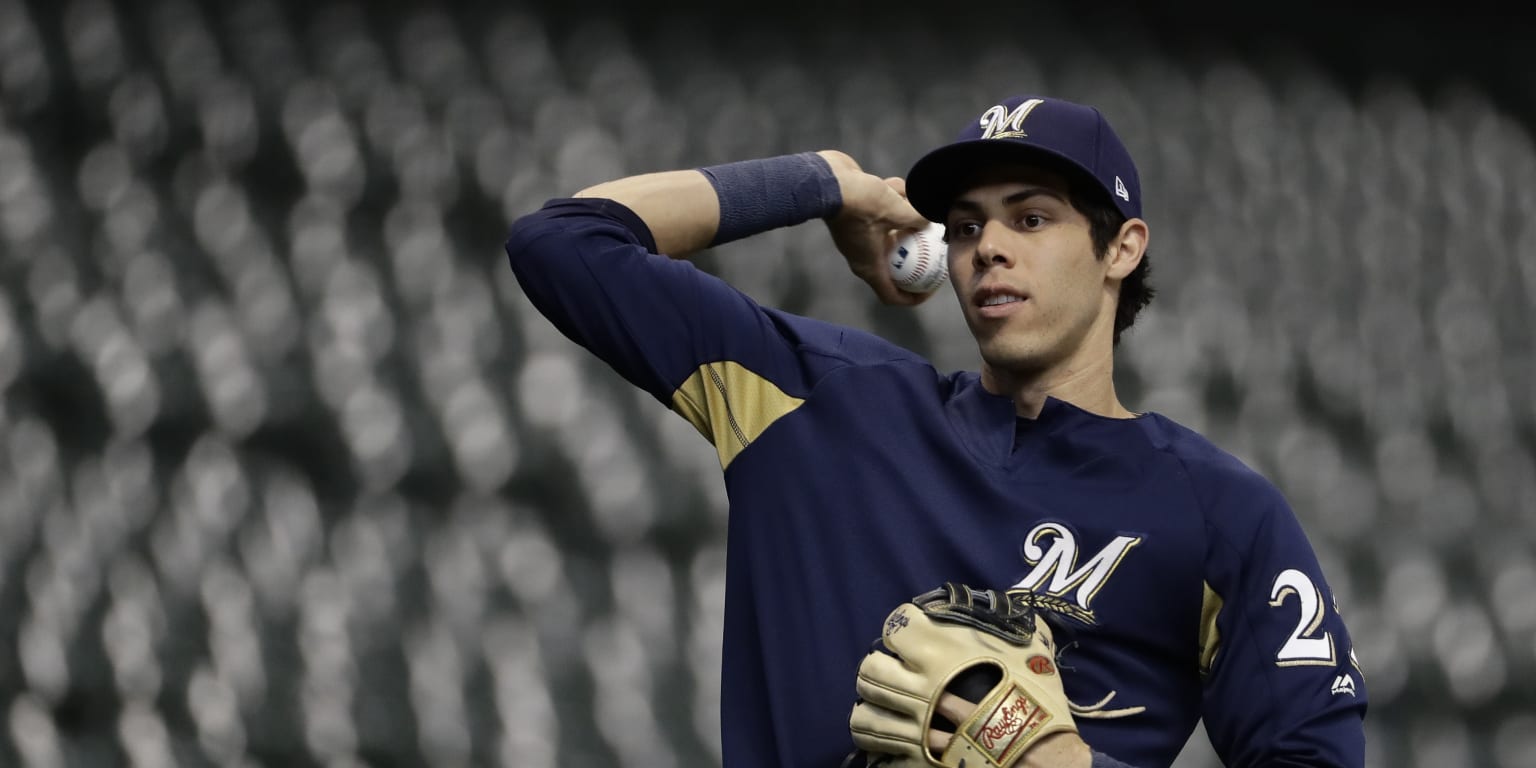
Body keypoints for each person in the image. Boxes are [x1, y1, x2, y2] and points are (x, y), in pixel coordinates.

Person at [505, 93, 1367, 767]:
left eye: (1031, 218)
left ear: (1122, 248)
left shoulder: (1218, 513)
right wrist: (820, 181)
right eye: (964, 227)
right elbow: (565, 242)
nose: (988, 245)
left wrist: (1061, 763)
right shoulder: (822, 405)